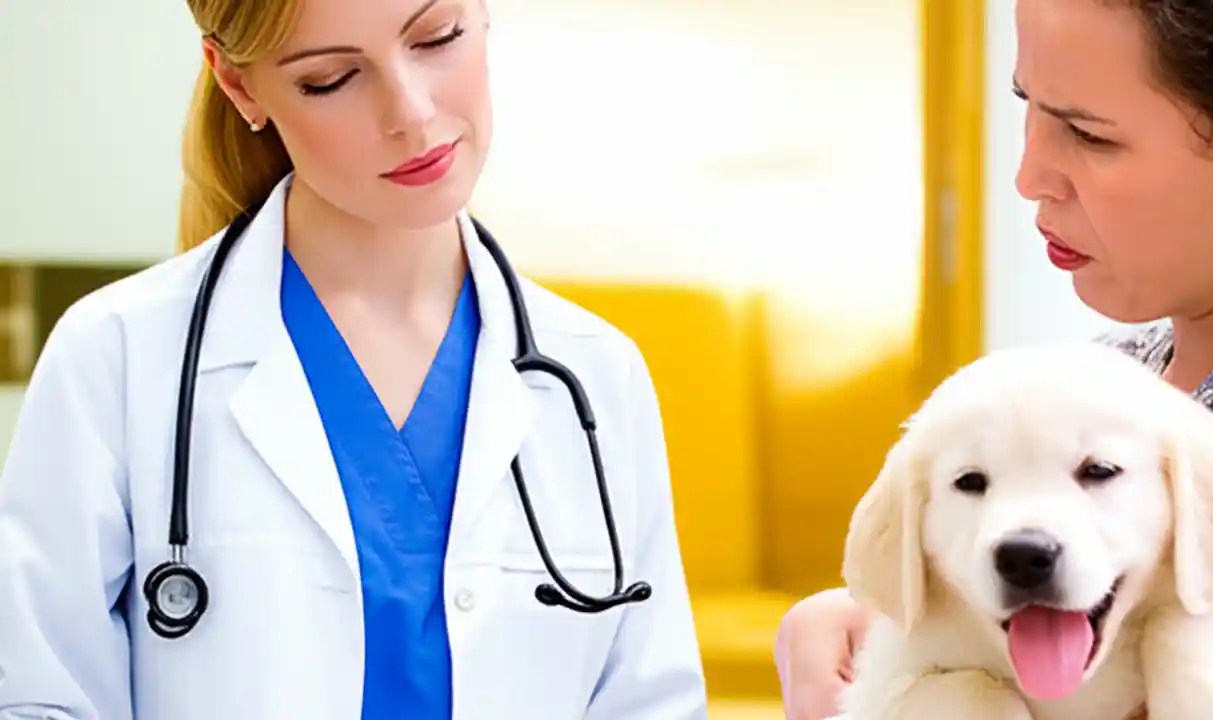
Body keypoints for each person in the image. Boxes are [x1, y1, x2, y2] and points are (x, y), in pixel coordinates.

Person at [0, 0, 708, 718]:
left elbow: (650, 702)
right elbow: (37, 696)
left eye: (437, 38)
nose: (413, 113)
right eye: (333, 78)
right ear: (241, 87)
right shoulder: (116, 359)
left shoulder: (595, 375)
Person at [773, 0, 1213, 717]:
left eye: (1087, 134)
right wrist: (881, 634)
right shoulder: (1101, 375)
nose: (1029, 174)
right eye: (1028, 106)